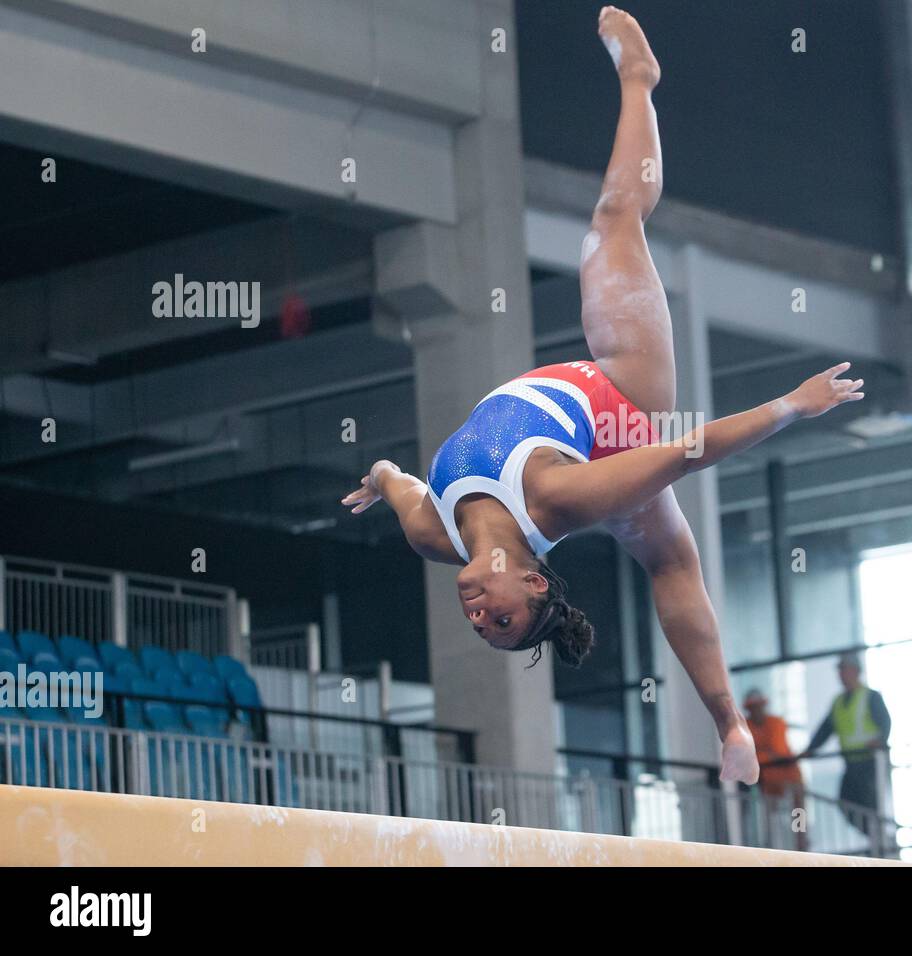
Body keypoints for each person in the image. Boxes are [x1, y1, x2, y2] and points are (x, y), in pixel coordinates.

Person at [341, 7, 863, 785]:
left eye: (482, 626)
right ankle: (639, 79)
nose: (480, 614)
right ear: (535, 582)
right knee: (614, 223)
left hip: (581, 435)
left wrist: (377, 479)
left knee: (668, 558)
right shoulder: (554, 500)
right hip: (622, 404)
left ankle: (730, 729)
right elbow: (688, 450)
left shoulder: (435, 536)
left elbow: (400, 480)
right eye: (504, 617)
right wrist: (791, 404)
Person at [799, 654, 892, 831]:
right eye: (840, 670)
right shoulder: (838, 702)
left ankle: (878, 838)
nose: (841, 674)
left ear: (856, 671)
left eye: (844, 669)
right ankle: (873, 836)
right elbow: (825, 729)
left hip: (871, 763)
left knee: (871, 805)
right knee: (846, 802)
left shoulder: (870, 696)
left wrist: (880, 741)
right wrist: (810, 750)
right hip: (851, 763)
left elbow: (885, 722)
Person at [743, 689, 808, 850]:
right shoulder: (746, 727)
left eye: (759, 706)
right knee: (769, 815)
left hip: (789, 775)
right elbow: (749, 755)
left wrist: (762, 754)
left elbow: (777, 751)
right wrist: (765, 755)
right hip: (768, 781)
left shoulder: (776, 723)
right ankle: (773, 846)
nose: (756, 710)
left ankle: (801, 841)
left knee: (798, 810)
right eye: (753, 707)